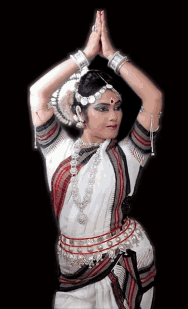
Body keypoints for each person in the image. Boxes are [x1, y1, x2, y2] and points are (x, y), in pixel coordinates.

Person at [29, 10, 163, 309]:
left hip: (124, 262)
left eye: (117, 107)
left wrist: (112, 55)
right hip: (72, 272)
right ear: (80, 114)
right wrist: (87, 54)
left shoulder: (128, 153)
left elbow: (153, 98)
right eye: (102, 108)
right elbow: (38, 94)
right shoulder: (57, 149)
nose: (115, 115)